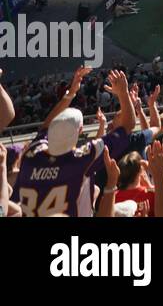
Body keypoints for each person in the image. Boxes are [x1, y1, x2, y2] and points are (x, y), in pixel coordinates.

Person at [14, 68, 135, 217]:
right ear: (80, 131)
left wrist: (70, 93)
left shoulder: (31, 153)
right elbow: (128, 126)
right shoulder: (79, 159)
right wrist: (124, 94)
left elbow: (45, 127)